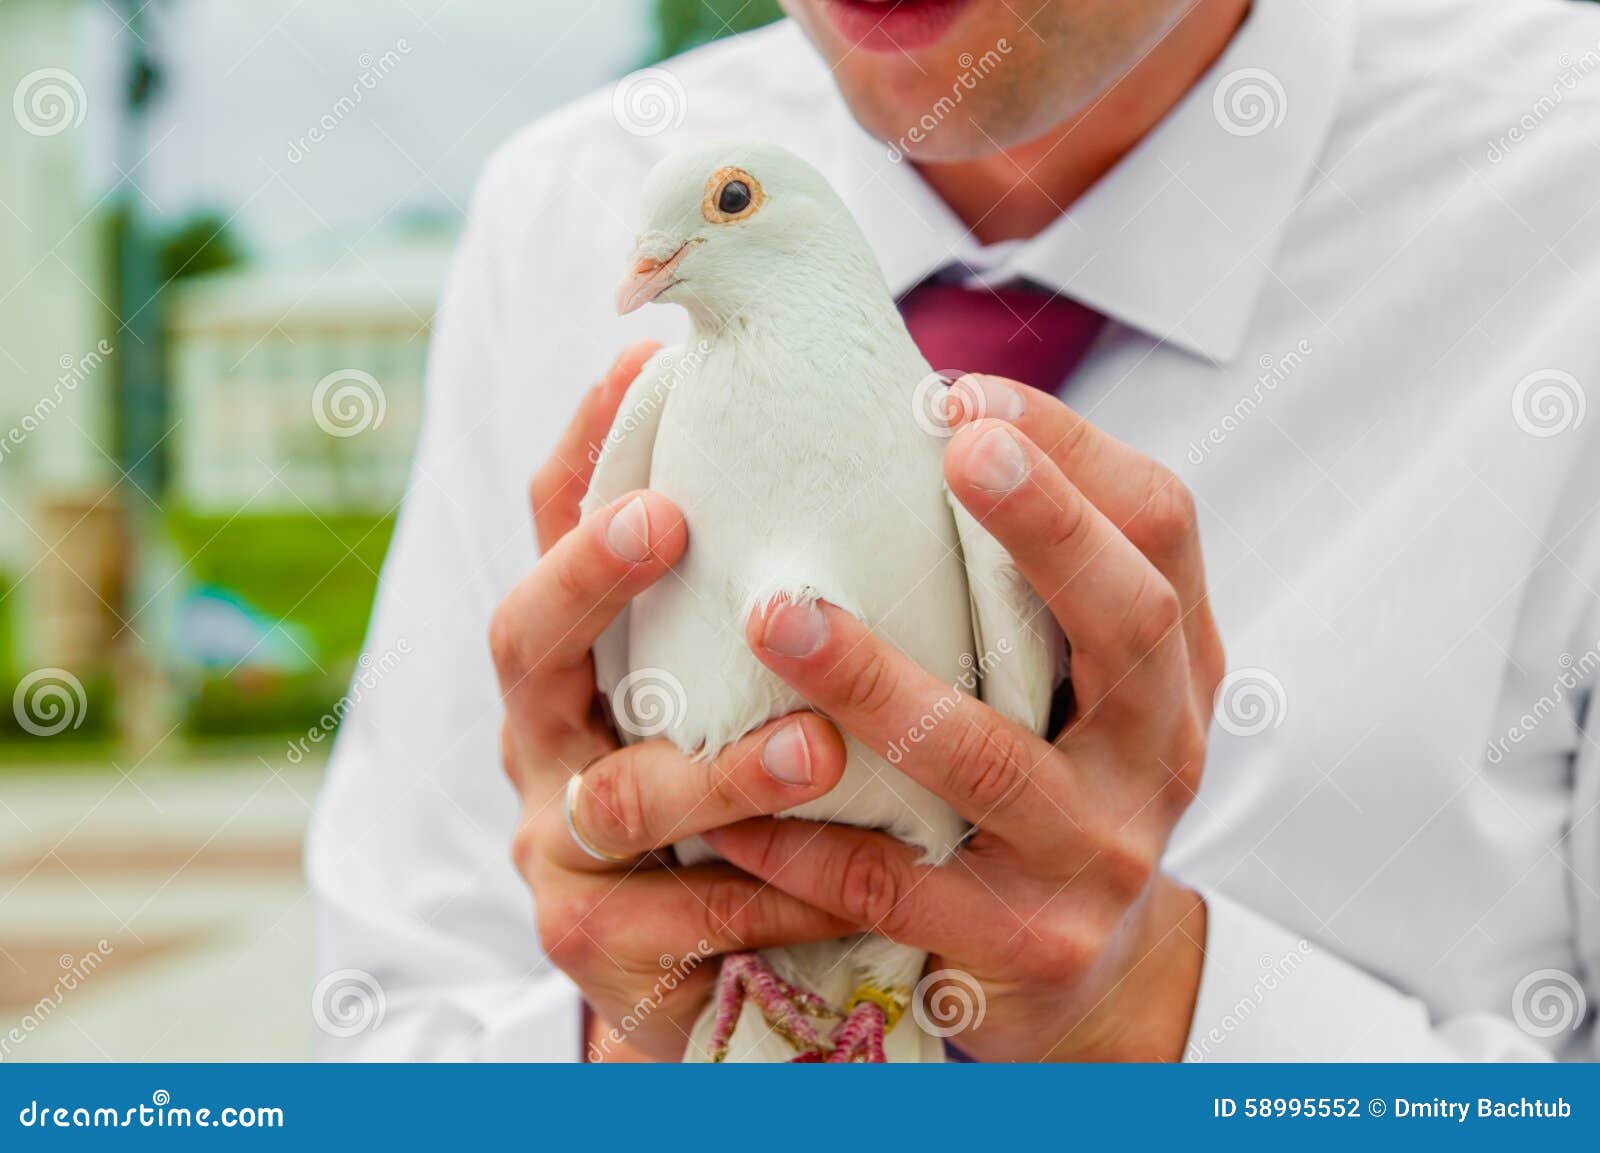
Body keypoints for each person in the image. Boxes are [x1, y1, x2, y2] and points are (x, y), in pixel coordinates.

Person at [309, 0, 1600, 1061]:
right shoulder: (562, 217)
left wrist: (1156, 1018)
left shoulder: (1567, 199)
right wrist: (623, 1044)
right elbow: (393, 1035)